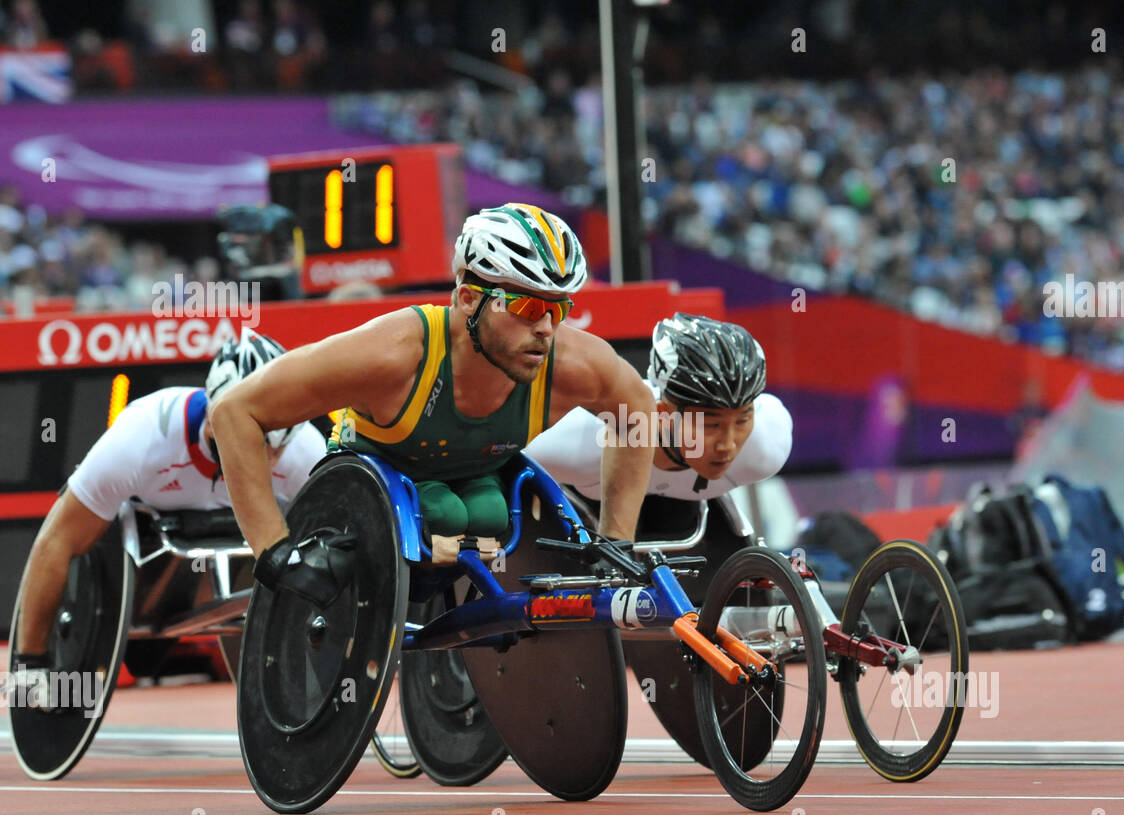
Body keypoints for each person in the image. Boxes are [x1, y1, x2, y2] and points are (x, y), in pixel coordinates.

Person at [209, 203, 656, 599]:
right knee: (447, 511)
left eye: (559, 309)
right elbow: (235, 412)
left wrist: (617, 542)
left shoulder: (577, 363)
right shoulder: (391, 352)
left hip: (476, 485)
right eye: (526, 308)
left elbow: (636, 411)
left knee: (485, 512)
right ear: (468, 299)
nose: (545, 328)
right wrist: (274, 553)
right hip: (372, 488)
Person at [11, 329, 326, 701]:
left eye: (277, 446)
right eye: (255, 441)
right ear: (216, 416)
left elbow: (329, 539)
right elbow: (56, 541)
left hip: (233, 546)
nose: (267, 460)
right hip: (147, 549)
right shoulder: (142, 436)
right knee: (143, 657)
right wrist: (29, 666)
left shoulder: (301, 448)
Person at [525, 313, 792, 506]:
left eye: (743, 420)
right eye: (711, 425)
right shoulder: (570, 443)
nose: (728, 445)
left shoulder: (766, 445)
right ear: (663, 414)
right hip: (585, 504)